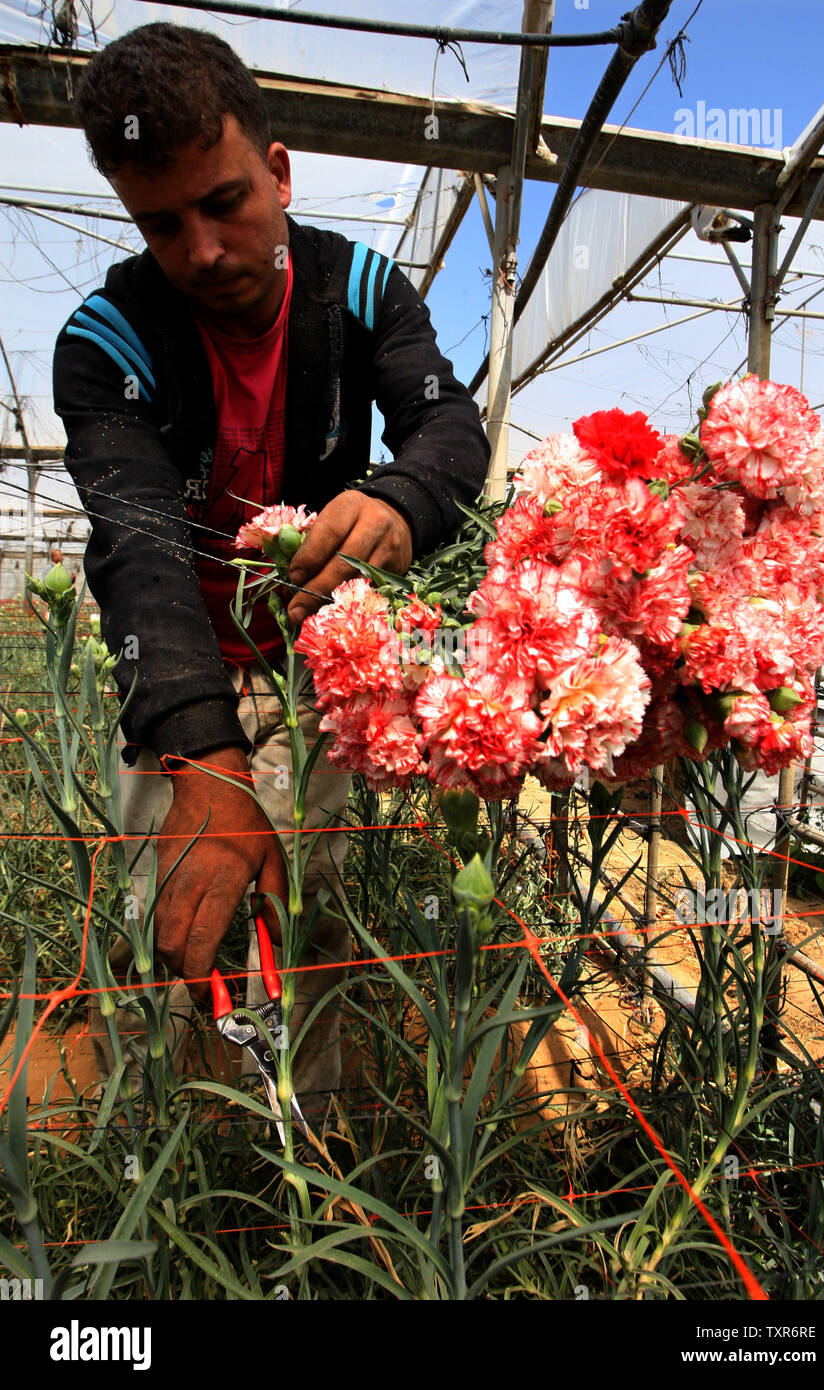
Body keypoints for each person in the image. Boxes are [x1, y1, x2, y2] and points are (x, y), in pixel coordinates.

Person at [52, 21, 489, 1112]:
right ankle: (176, 1142)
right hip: (182, 676)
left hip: (311, 678)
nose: (200, 249)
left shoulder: (362, 293)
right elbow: (137, 546)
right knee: (179, 927)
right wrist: (202, 755)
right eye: (162, 224)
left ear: (280, 174)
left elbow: (449, 432)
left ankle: (314, 1129)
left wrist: (398, 497)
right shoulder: (107, 342)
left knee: (314, 917)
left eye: (226, 203)